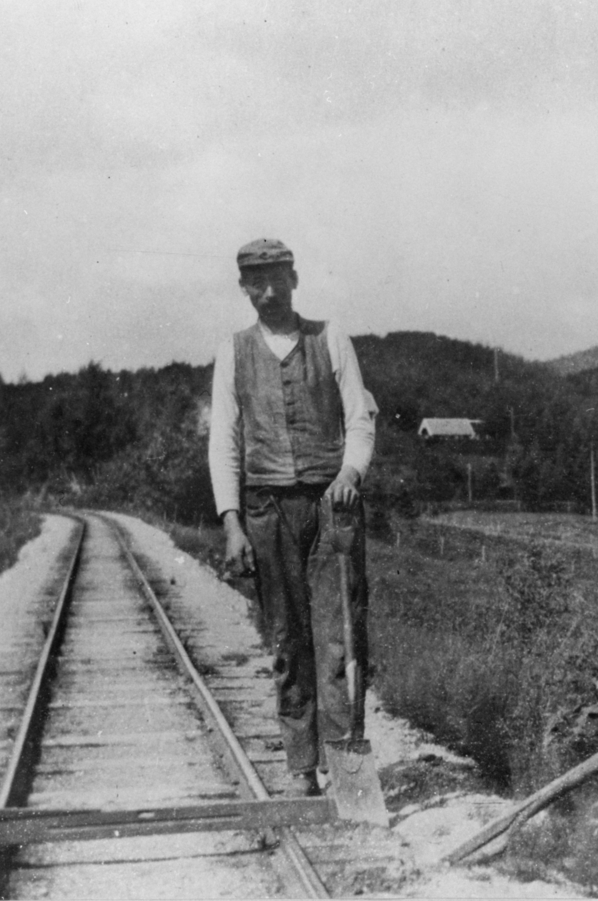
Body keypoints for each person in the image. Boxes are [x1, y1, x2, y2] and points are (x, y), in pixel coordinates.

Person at [207, 238, 376, 797]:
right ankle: (302, 769)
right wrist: (231, 521)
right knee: (288, 642)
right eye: (257, 282)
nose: (269, 291)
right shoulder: (234, 352)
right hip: (267, 511)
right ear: (244, 288)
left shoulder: (331, 339)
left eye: (278, 278)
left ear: (295, 279)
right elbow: (225, 441)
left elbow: (360, 418)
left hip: (332, 508)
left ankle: (347, 772)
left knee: (340, 641)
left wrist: (350, 472)